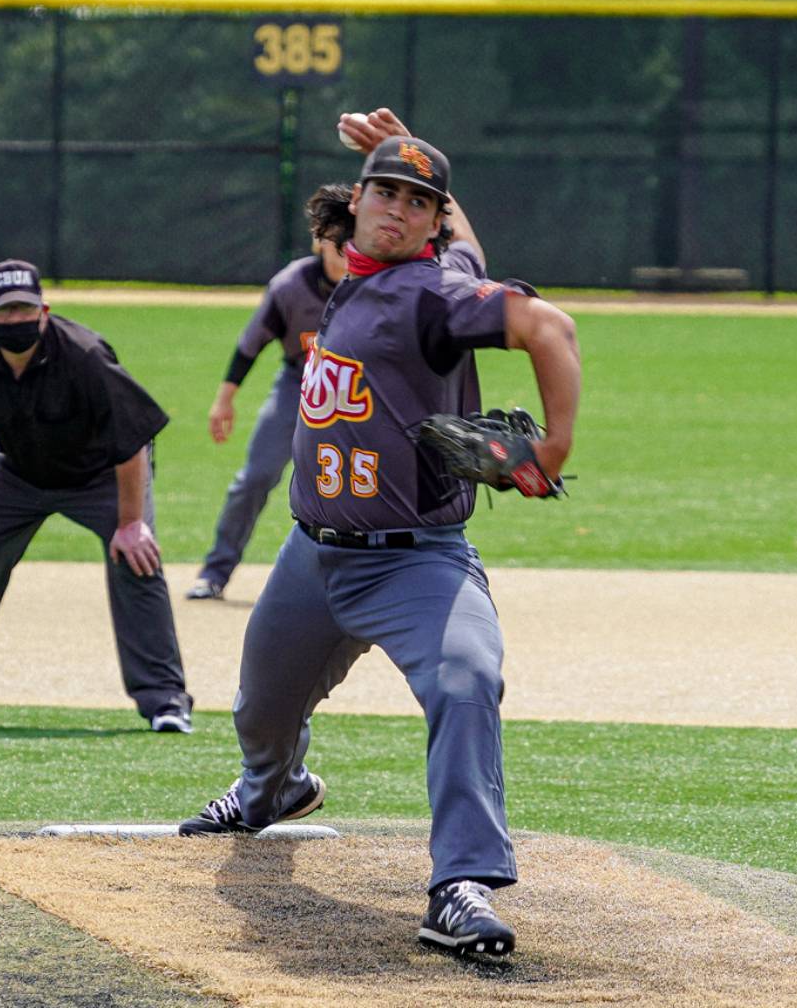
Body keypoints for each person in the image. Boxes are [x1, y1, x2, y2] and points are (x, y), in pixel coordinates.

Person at [177, 111, 580, 964]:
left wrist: (553, 446)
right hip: (311, 556)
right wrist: (423, 161)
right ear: (355, 203)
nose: (398, 209)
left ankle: (460, 885)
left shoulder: (431, 296)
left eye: (418, 202)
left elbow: (551, 328)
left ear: (430, 223)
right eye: (384, 192)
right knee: (261, 710)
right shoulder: (377, 274)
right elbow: (465, 246)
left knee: (467, 680)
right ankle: (272, 790)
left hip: (418, 564)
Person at [0, 259, 195, 734]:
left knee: (136, 558)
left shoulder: (85, 355)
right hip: (17, 475)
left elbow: (131, 438)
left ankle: (165, 701)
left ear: (45, 311)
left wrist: (132, 523)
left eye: (25, 309)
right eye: (6, 311)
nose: (16, 320)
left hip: (101, 475)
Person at [184, 185, 353, 602]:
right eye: (334, 240)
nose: (343, 249)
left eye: (349, 240)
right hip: (300, 384)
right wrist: (224, 399)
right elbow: (249, 345)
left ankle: (357, 580)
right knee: (256, 477)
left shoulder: (372, 285)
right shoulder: (290, 286)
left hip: (359, 392)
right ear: (319, 241)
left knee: (355, 483)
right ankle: (215, 571)